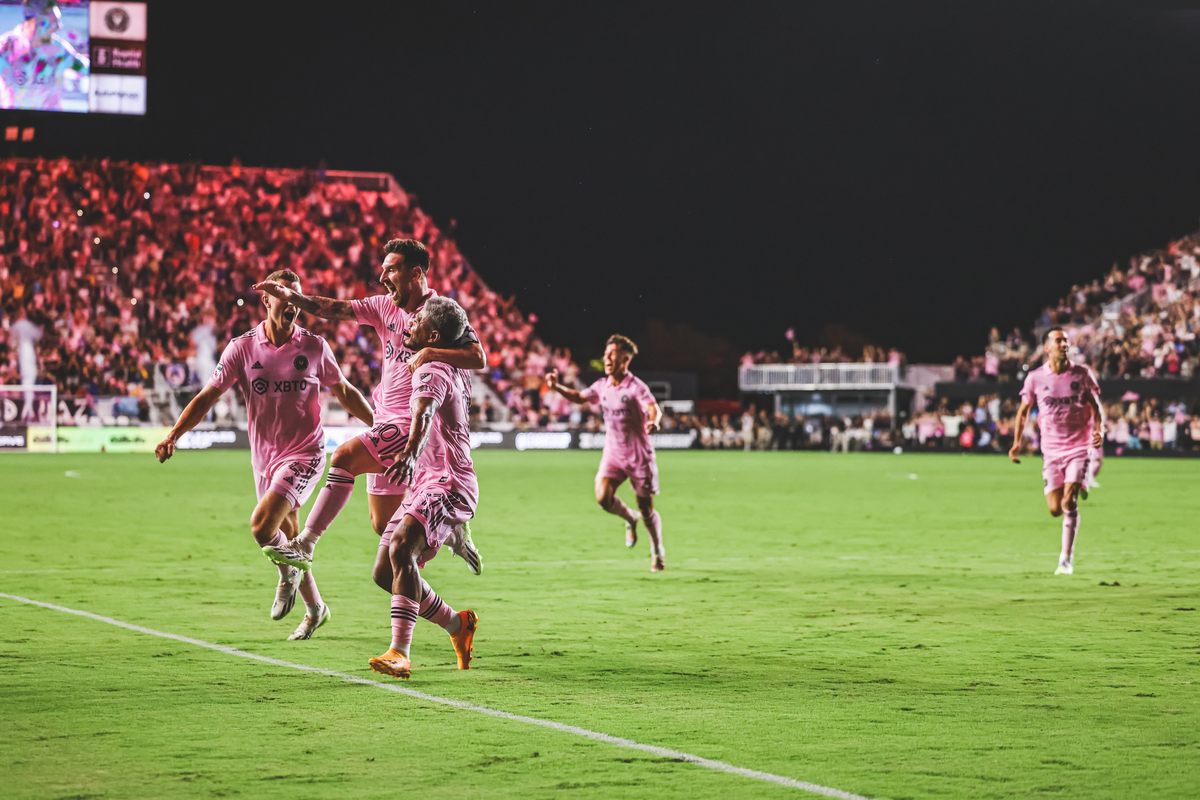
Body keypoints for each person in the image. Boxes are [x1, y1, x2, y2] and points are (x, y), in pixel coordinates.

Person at [155, 270, 375, 639]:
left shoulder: (314, 346)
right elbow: (208, 396)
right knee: (287, 536)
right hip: (264, 460)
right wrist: (175, 433)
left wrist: (383, 425)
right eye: (283, 296)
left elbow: (345, 391)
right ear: (266, 301)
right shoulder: (241, 348)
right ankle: (315, 608)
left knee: (262, 526)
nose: (292, 305)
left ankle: (286, 575)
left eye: (297, 298)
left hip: (305, 454)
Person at [253, 239, 485, 577]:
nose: (383, 275)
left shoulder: (438, 313)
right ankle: (447, 533)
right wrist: (293, 297)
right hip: (384, 419)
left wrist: (431, 352)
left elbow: (477, 357)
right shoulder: (383, 306)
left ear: (415, 273)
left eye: (391, 269)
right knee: (382, 523)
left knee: (344, 457)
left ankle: (306, 544)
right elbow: (334, 309)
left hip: (412, 422)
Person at [368, 297, 480, 680]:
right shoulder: (453, 361)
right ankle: (456, 624)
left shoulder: (431, 365)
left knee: (401, 548)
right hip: (429, 482)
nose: (408, 324)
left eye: (415, 322)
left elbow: (425, 411)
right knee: (386, 572)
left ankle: (400, 652)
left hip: (446, 481)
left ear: (432, 335)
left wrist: (411, 453)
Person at [544, 334, 666, 572]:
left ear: (626, 358)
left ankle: (657, 548)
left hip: (639, 456)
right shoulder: (602, 386)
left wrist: (654, 421)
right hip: (613, 454)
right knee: (603, 498)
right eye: (606, 354)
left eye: (613, 354)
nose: (607, 358)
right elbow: (580, 397)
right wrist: (556, 386)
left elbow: (653, 407)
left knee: (647, 509)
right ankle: (630, 519)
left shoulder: (635, 387)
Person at [1008, 327, 1104, 575]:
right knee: (1054, 509)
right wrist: (1017, 442)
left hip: (1078, 447)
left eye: (1065, 340)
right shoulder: (1035, 378)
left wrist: (1100, 430)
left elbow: (1096, 406)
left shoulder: (1082, 374)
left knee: (1068, 501)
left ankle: (1065, 560)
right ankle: (1078, 485)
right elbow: (1023, 411)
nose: (1063, 343)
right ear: (1047, 347)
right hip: (1050, 451)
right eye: (1058, 340)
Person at [0, 0, 88, 112]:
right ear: (34, 22)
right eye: (53, 23)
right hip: (13, 120)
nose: (58, 27)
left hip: (50, 121)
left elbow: (84, 69)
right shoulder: (6, 48)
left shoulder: (60, 50)